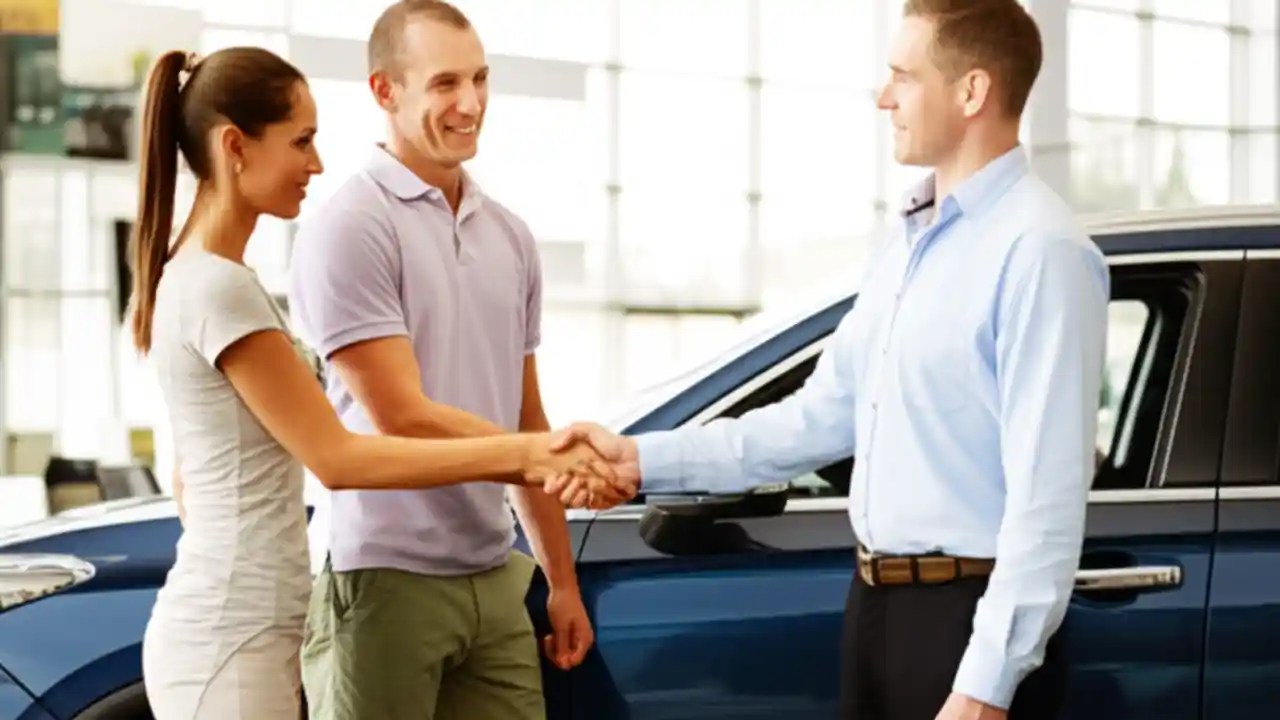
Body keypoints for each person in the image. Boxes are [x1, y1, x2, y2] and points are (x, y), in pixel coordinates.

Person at [549, 1, 1109, 719]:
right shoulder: (907, 242)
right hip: (874, 609)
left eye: (903, 76)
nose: (883, 97)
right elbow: (815, 420)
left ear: (972, 91)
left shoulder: (1041, 252)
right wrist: (638, 459)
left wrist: (983, 689)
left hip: (966, 626)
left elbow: (1046, 505)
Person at [131, 46, 618, 720]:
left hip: (244, 625)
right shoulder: (221, 288)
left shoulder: (204, 278)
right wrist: (527, 455)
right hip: (232, 635)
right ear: (235, 146)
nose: (316, 164)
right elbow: (338, 460)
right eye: (301, 141)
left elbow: (196, 471)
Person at [289, 3, 632, 719]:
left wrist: (560, 581)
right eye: (445, 83)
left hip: (494, 575)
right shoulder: (350, 226)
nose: (471, 103)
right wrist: (544, 457)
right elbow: (401, 416)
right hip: (384, 578)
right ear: (385, 90)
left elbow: (525, 413)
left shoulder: (511, 236)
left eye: (479, 79)